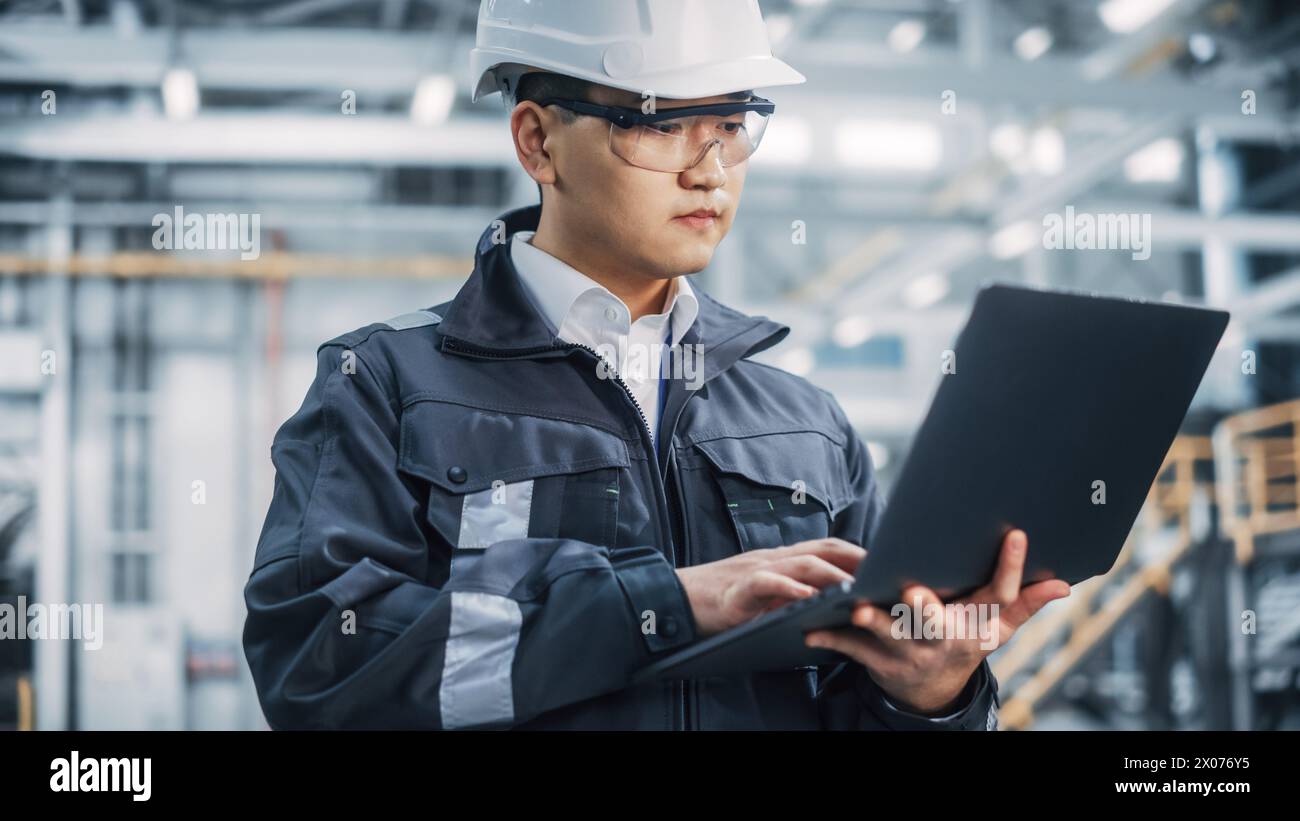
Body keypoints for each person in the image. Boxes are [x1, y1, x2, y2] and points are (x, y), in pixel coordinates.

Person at [242, 0, 1070, 730]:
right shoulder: (385, 386)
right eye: (659, 122)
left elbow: (852, 700)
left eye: (730, 126)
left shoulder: (807, 425)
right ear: (538, 140)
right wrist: (663, 604)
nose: (708, 170)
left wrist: (929, 697)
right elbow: (318, 671)